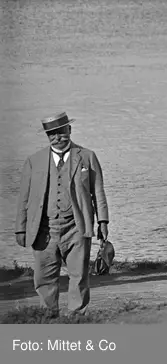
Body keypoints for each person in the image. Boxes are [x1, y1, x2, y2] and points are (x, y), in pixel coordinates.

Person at [13, 112, 110, 317]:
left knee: (79, 274)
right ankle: (49, 315)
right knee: (43, 276)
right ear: (48, 136)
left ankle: (76, 315)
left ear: (70, 130)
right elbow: (24, 197)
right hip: (43, 229)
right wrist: (20, 228)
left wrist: (102, 221)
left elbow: (98, 191)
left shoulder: (87, 156)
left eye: (61, 132)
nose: (58, 137)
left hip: (77, 226)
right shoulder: (34, 161)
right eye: (52, 134)